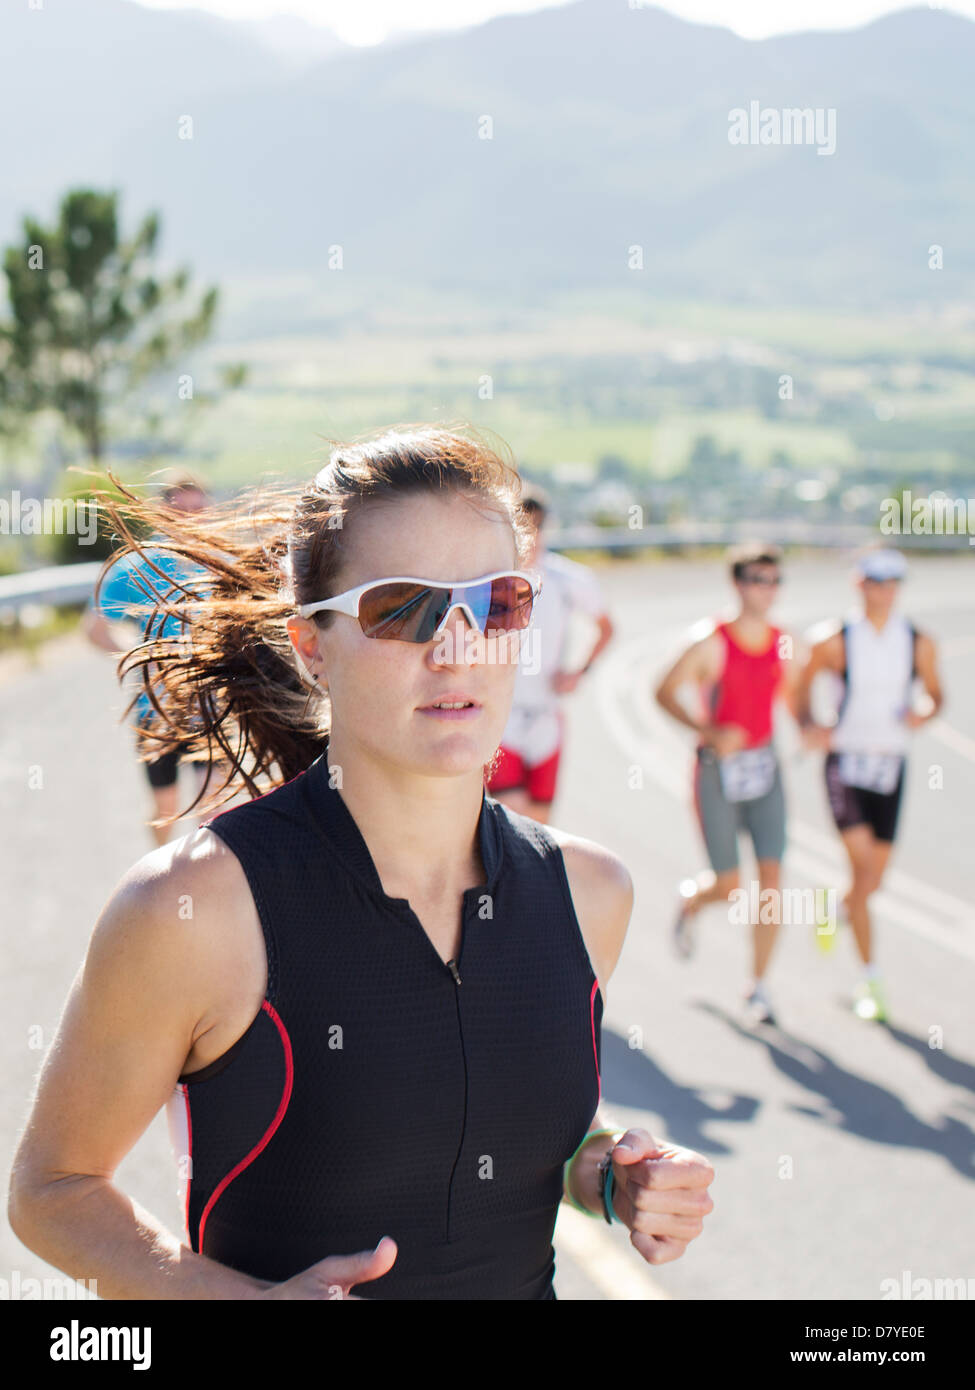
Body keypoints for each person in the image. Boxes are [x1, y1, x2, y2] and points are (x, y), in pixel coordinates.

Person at [10, 426, 714, 1301]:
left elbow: (513, 1125)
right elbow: (52, 1192)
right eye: (404, 608)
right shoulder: (192, 907)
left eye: (495, 602)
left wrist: (611, 1174)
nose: (456, 647)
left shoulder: (588, 891)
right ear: (312, 645)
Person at [654, 544, 801, 1025]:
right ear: (738, 584)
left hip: (765, 770)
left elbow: (789, 697)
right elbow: (662, 689)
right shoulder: (710, 641)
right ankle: (694, 900)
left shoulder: (783, 642)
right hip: (717, 772)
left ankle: (758, 987)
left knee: (772, 881)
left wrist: (813, 725)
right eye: (759, 579)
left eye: (775, 580)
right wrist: (709, 731)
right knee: (731, 885)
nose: (768, 589)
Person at [795, 547, 944, 1023]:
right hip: (846, 765)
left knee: (874, 881)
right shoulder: (834, 639)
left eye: (893, 583)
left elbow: (936, 694)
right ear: (859, 584)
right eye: (876, 582)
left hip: (891, 766)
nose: (885, 591)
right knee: (862, 871)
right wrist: (808, 723)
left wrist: (922, 711)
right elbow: (797, 684)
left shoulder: (918, 641)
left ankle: (836, 910)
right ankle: (870, 978)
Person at [82, 470, 214, 845]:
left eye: (198, 509)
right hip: (156, 710)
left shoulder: (218, 563)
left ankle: (204, 891)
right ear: (162, 512)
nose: (190, 518)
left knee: (212, 807)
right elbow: (94, 627)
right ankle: (158, 883)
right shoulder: (140, 565)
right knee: (166, 811)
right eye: (181, 510)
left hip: (210, 706)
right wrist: (136, 655)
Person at [486, 487, 614, 823]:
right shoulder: (490, 581)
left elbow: (607, 627)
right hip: (503, 716)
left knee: (541, 826)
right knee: (512, 817)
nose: (532, 534)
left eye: (538, 525)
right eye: (523, 525)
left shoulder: (566, 578)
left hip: (547, 715)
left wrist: (579, 672)